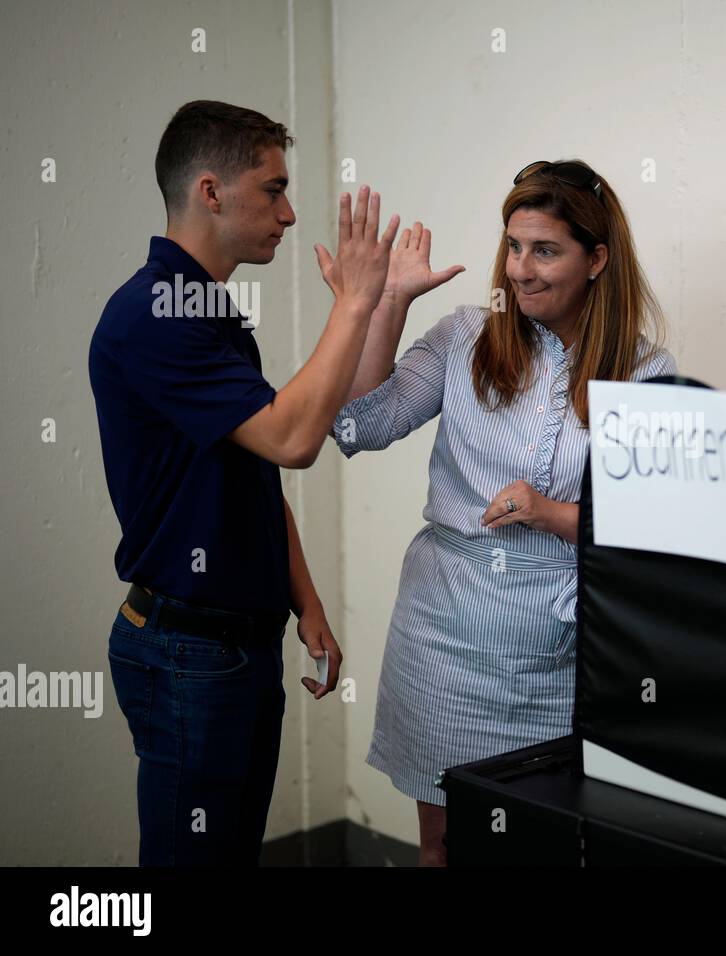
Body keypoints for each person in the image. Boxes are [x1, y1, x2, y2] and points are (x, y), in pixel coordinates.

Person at [88, 99, 457, 865]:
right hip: (187, 652)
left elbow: (263, 457)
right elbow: (294, 439)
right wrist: (356, 302)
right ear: (211, 192)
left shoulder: (205, 309)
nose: (290, 215)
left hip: (234, 647)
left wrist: (306, 599)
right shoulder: (154, 316)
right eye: (273, 189)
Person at [328, 159, 676, 866]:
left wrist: (553, 514)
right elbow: (358, 427)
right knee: (445, 850)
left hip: (561, 658)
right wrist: (387, 302)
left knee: (546, 852)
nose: (520, 268)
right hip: (445, 641)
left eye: (545, 250)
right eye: (513, 246)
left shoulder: (647, 374)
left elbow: (654, 531)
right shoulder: (464, 337)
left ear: (598, 259)